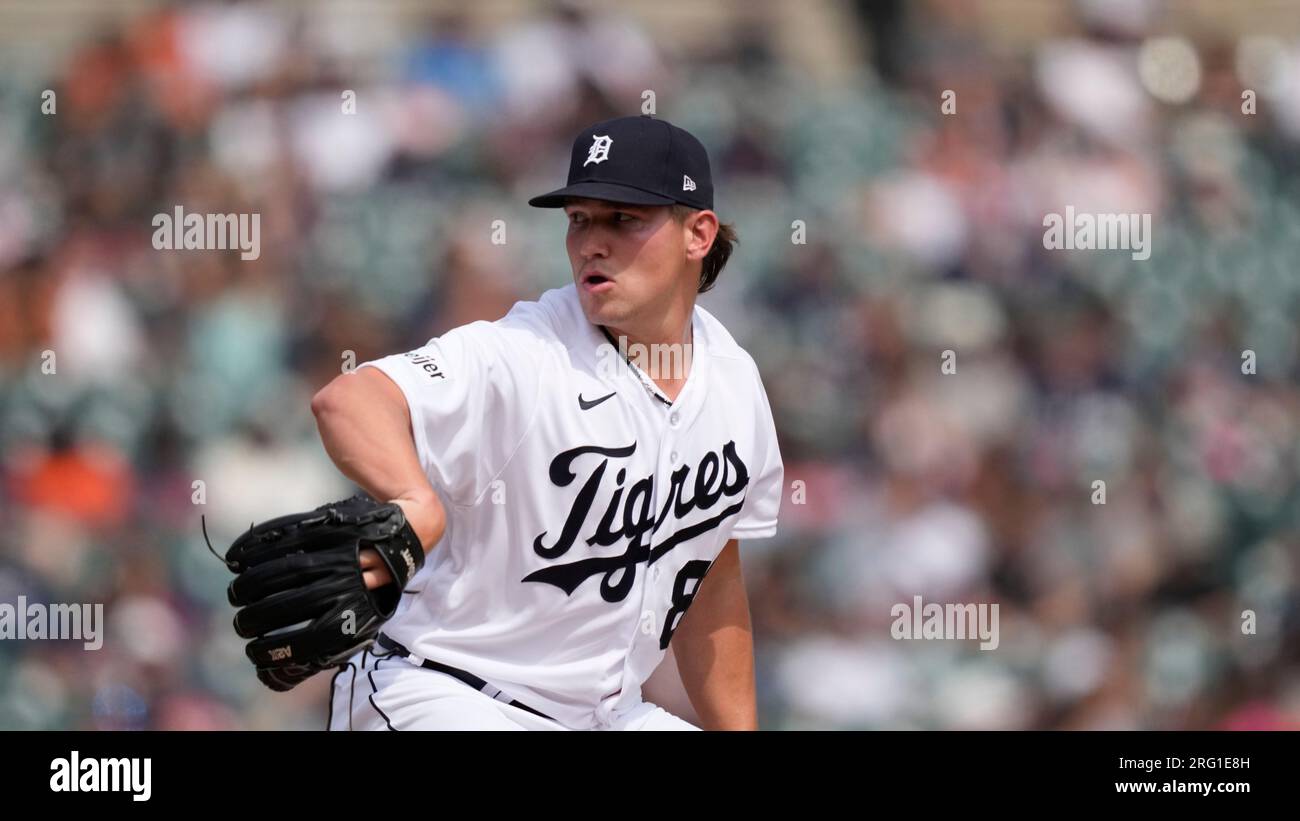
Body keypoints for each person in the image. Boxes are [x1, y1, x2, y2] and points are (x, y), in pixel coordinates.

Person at [313, 114, 783, 730]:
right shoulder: (526, 351)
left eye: (624, 218)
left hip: (608, 715)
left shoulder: (734, 384)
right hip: (445, 692)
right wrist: (414, 500)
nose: (592, 240)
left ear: (698, 234)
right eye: (579, 219)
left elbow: (710, 574)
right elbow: (350, 400)